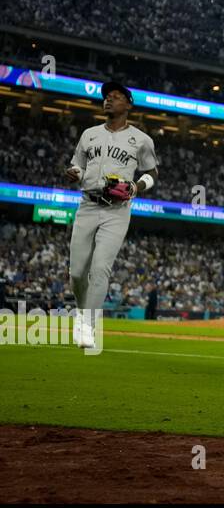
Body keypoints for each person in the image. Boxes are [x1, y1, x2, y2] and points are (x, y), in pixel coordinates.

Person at [64, 81, 159, 349]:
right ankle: (83, 314)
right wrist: (75, 173)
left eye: (116, 97)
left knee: (100, 268)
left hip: (117, 210)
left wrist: (136, 186)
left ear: (128, 105)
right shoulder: (89, 134)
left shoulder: (141, 139)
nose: (109, 100)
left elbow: (152, 173)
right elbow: (78, 166)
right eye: (107, 97)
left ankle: (87, 326)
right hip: (88, 204)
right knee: (77, 273)